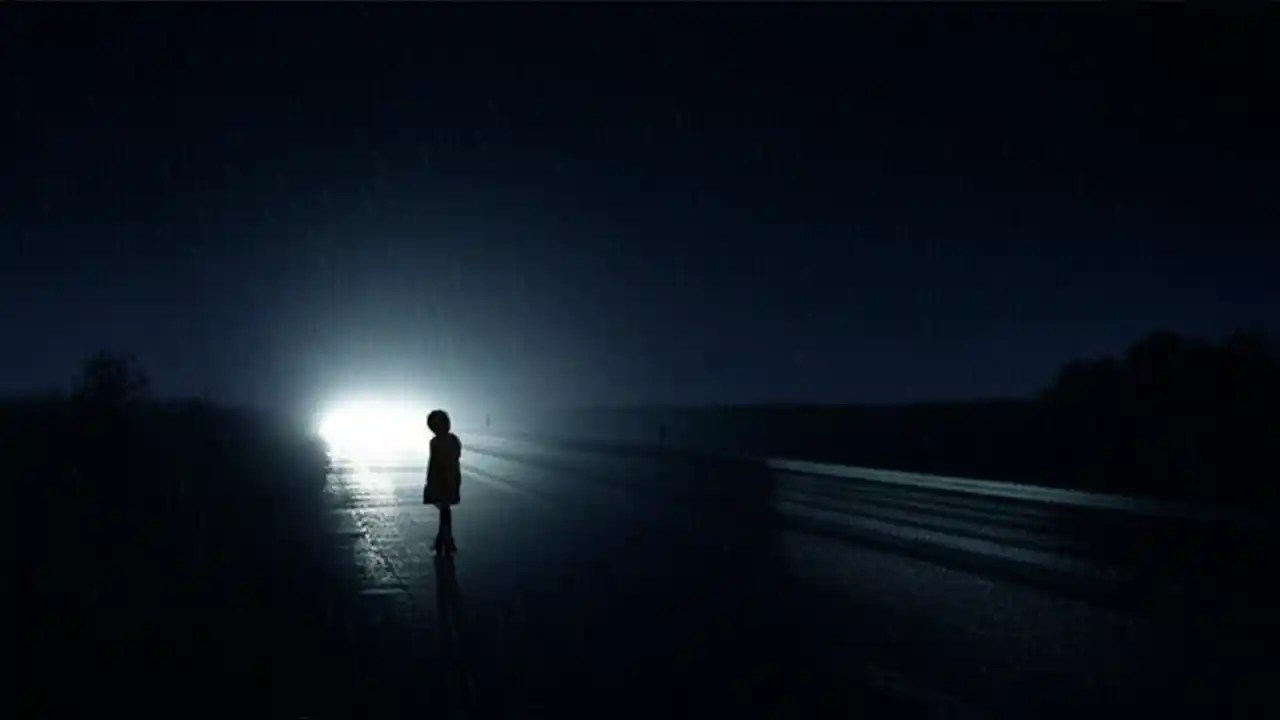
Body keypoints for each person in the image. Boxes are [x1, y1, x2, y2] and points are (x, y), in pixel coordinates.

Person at [423, 409, 462, 555]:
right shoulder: (451, 440)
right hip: (448, 478)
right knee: (445, 510)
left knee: (444, 510)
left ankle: (445, 540)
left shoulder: (436, 442)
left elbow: (434, 462)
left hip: (443, 479)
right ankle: (444, 539)